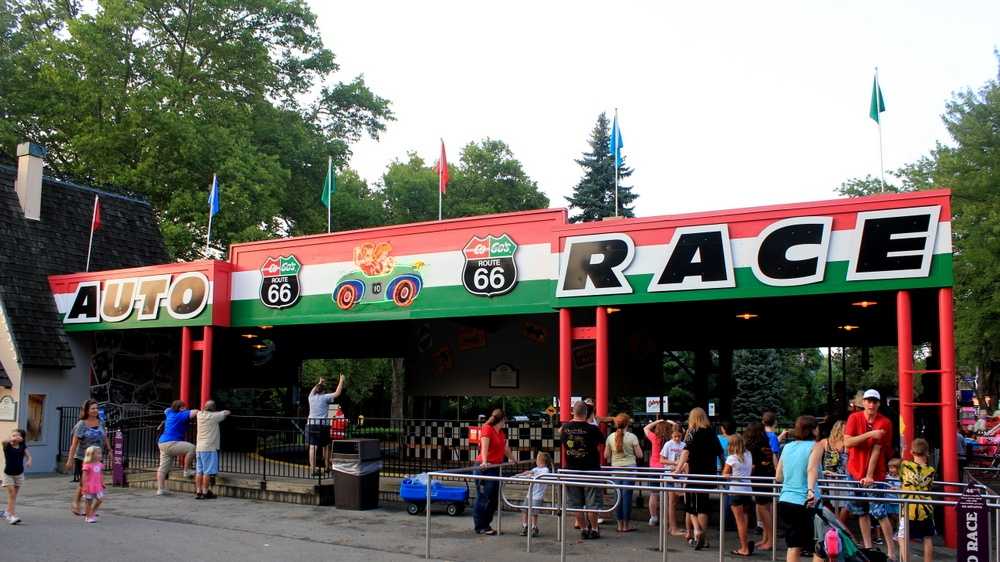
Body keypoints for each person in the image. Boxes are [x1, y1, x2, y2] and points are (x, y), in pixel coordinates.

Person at [844, 388, 894, 554]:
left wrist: (869, 475)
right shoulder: (854, 418)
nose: (871, 404)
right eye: (868, 401)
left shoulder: (885, 422)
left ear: (878, 404)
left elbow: (877, 450)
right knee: (861, 511)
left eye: (874, 401)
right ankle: (867, 547)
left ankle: (892, 552)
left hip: (875, 472)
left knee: (879, 512)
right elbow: (848, 443)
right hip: (854, 470)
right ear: (863, 402)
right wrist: (871, 433)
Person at [775, 415, 823, 562]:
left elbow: (778, 476)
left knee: (794, 545)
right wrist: (810, 490)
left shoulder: (787, 447)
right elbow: (811, 469)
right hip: (807, 501)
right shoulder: (817, 446)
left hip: (786, 500)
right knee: (820, 545)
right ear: (814, 430)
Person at [674, 407, 724, 550]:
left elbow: (686, 452)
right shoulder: (711, 432)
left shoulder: (691, 432)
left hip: (695, 472)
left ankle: (698, 532)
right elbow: (720, 452)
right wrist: (726, 469)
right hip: (709, 473)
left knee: (692, 504)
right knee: (703, 503)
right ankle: (703, 536)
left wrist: (678, 469)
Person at [561, 400, 605, 539]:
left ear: (573, 412)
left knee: (576, 504)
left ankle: (584, 529)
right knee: (592, 503)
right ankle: (595, 529)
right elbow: (601, 444)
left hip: (571, 470)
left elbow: (564, 445)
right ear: (586, 413)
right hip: (591, 470)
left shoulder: (565, 428)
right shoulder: (592, 429)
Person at [65, 399, 111, 515]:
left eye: (96, 408)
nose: (95, 410)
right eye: (93, 408)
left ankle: (87, 508)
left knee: (91, 482)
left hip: (97, 457)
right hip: (83, 458)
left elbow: (105, 437)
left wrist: (110, 450)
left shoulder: (100, 422)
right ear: (87, 410)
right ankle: (76, 503)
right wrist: (70, 459)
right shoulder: (81, 424)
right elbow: (74, 444)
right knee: (83, 481)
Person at [473, 408, 514, 536]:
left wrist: (513, 459)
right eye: (504, 420)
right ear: (501, 420)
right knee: (484, 497)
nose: (505, 423)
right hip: (485, 467)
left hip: (495, 467)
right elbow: (484, 446)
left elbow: (505, 448)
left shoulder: (501, 433)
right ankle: (481, 526)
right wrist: (484, 461)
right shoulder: (487, 428)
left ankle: (487, 524)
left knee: (493, 498)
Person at [897, 438, 935, 562]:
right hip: (926, 508)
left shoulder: (905, 466)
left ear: (912, 452)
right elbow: (930, 486)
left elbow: (902, 479)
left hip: (909, 508)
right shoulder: (931, 471)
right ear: (927, 453)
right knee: (927, 538)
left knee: (902, 537)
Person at [605, 413, 643, 532]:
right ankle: (626, 525)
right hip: (630, 469)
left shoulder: (610, 437)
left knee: (618, 496)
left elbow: (606, 455)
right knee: (627, 497)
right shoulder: (632, 437)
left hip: (615, 469)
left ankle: (619, 525)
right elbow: (640, 455)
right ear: (627, 423)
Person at [744, 421, 776, 551]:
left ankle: (770, 540)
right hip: (768, 476)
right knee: (765, 508)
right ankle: (766, 538)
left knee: (763, 509)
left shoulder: (753, 446)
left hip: (759, 478)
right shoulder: (765, 441)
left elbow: (752, 465)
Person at [306, 374, 345, 476]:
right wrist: (341, 380)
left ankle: (313, 470)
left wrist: (320, 383)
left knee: (312, 447)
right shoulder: (325, 397)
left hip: (310, 424)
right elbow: (337, 393)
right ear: (323, 391)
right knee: (326, 445)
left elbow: (314, 389)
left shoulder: (310, 397)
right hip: (322, 425)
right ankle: (327, 467)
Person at [724, 433, 755, 557]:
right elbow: (751, 470)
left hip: (736, 491)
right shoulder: (749, 455)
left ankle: (744, 548)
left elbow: (725, 474)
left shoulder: (732, 458)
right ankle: (745, 544)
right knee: (745, 519)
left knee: (739, 521)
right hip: (747, 490)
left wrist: (732, 476)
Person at [157, 400, 197, 496]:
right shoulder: (181, 415)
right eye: (184, 407)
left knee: (163, 468)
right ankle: (186, 471)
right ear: (180, 408)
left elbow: (166, 410)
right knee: (192, 448)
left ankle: (160, 489)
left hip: (162, 443)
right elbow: (195, 412)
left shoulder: (170, 413)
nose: (186, 408)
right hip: (172, 442)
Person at [195, 400, 231, 499]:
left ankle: (198, 491)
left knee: (199, 471)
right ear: (214, 408)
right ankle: (206, 492)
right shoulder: (215, 417)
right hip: (209, 448)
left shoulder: (199, 415)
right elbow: (226, 412)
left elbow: (197, 411)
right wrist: (220, 412)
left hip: (199, 447)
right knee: (207, 471)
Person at [517, 452, 553, 537]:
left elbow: (541, 476)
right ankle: (525, 526)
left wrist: (532, 475)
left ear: (542, 461)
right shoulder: (535, 468)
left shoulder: (545, 470)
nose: (536, 461)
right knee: (524, 510)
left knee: (534, 513)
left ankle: (534, 527)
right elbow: (530, 472)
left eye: (537, 459)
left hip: (537, 496)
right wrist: (522, 474)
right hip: (530, 494)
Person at [644, 418, 672, 527]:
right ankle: (666, 518)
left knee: (654, 494)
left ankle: (653, 517)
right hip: (666, 468)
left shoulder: (655, 438)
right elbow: (682, 430)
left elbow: (645, 428)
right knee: (667, 495)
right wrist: (670, 422)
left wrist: (657, 422)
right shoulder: (671, 439)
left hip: (654, 467)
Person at [820, 420, 849, 524]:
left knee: (834, 503)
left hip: (827, 476)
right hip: (842, 477)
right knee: (846, 503)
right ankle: (839, 526)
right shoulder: (847, 444)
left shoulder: (825, 442)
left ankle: (836, 527)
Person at [660, 426, 686, 536]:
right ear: (671, 435)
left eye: (679, 436)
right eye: (674, 436)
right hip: (670, 475)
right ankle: (673, 527)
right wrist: (674, 463)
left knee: (675, 502)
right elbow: (661, 459)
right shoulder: (668, 444)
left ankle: (673, 526)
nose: (676, 438)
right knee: (671, 502)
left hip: (680, 475)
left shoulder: (684, 445)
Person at [1, 428, 31, 524]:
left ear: (21, 438)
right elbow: (3, 441)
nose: (15, 437)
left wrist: (29, 460)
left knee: (13, 496)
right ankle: (11, 516)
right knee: (12, 494)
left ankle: (7, 512)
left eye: (18, 435)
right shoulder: (7, 445)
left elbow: (29, 456)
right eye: (13, 435)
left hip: (19, 474)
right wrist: (12, 439)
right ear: (11, 437)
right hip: (8, 474)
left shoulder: (22, 445)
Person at [80, 445, 105, 523]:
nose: (100, 455)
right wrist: (84, 486)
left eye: (100, 453)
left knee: (100, 500)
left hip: (97, 486)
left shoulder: (100, 464)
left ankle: (92, 512)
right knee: (88, 502)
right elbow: (83, 477)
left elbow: (100, 475)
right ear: (91, 454)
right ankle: (88, 516)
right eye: (98, 453)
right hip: (89, 486)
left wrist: (102, 482)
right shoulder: (87, 465)